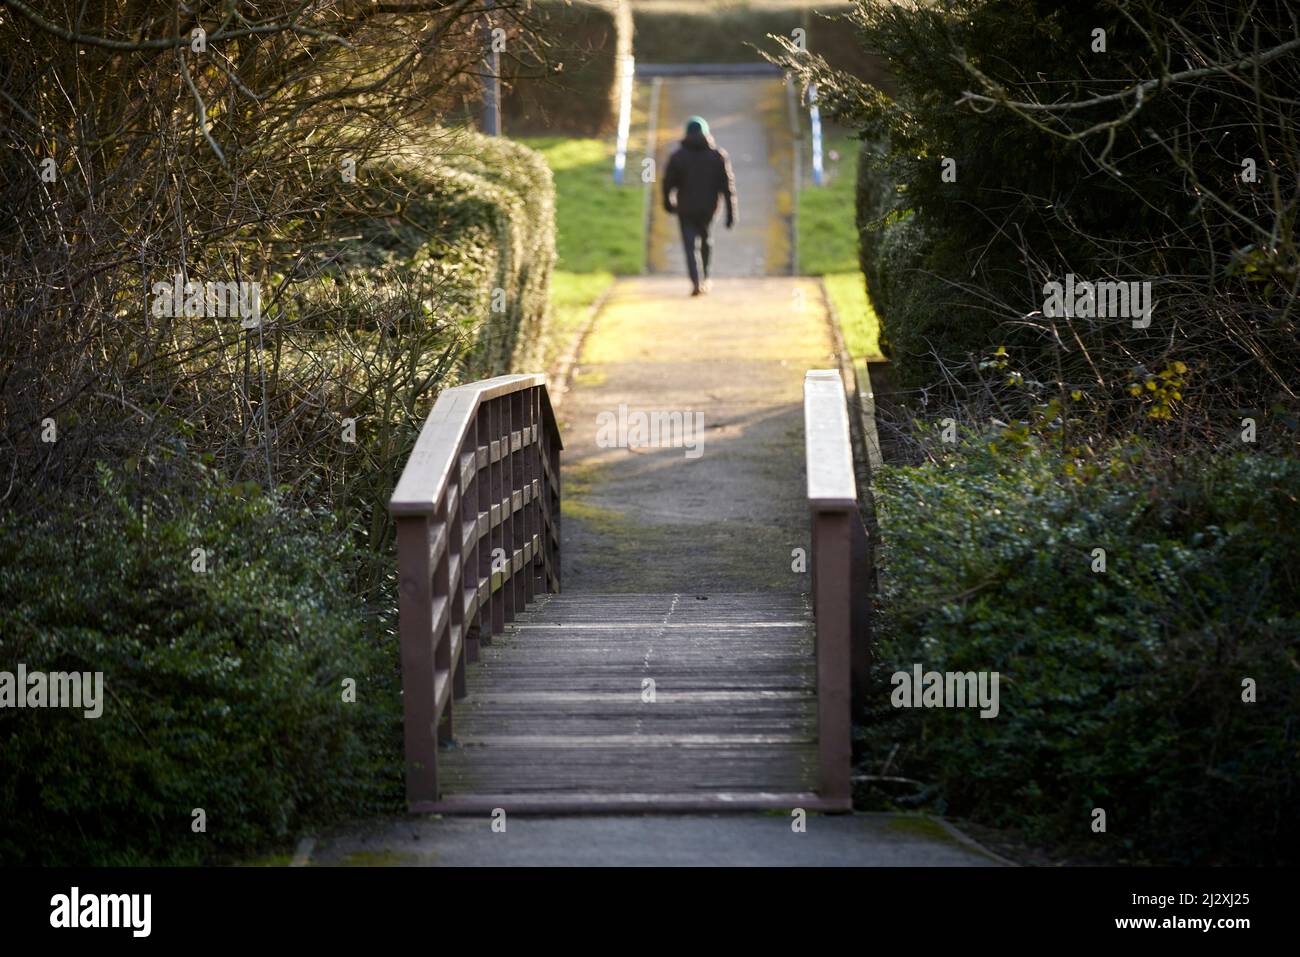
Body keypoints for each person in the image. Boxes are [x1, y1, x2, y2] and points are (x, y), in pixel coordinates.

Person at [662, 116, 738, 296]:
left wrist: (668, 203)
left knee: (689, 245)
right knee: (706, 240)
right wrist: (731, 214)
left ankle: (695, 281)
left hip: (685, 208)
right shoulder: (717, 156)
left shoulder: (677, 156)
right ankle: (706, 277)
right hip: (708, 209)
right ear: (706, 134)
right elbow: (727, 187)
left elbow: (667, 184)